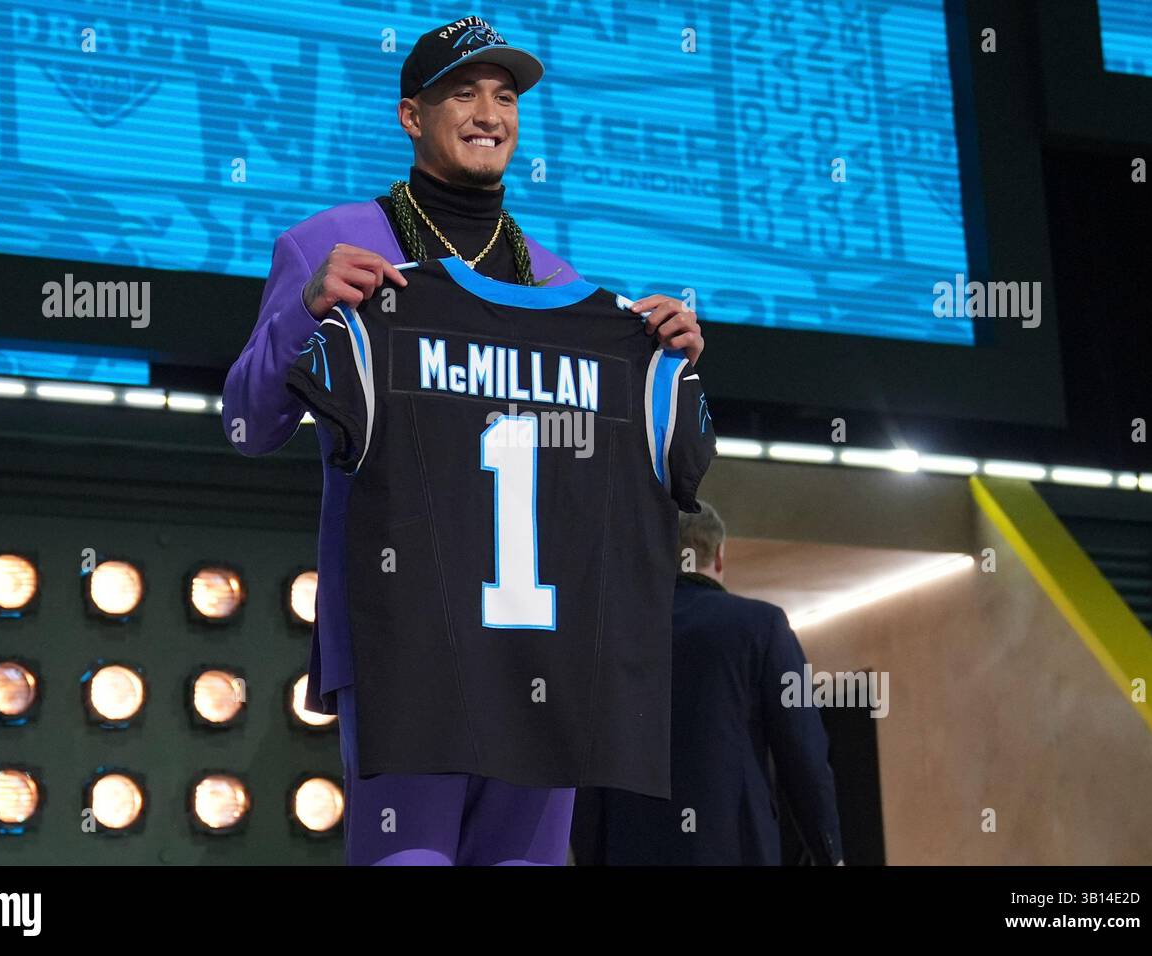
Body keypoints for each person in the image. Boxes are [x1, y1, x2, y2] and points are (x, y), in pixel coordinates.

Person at [222, 15, 704, 865]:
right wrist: (307, 311)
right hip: (403, 637)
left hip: (545, 645)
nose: (489, 112)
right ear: (412, 116)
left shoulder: (570, 288)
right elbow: (248, 424)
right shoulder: (328, 246)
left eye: (505, 94)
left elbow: (649, 463)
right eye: (463, 92)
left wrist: (667, 363)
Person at [571, 501, 845, 865]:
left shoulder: (606, 638)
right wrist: (829, 854)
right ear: (718, 556)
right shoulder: (761, 627)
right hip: (735, 847)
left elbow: (586, 777)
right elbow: (804, 755)